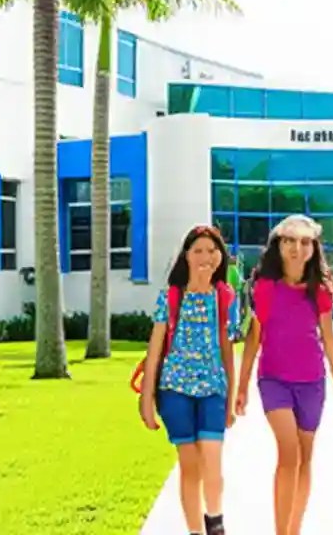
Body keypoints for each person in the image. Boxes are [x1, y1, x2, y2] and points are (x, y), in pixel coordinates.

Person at [236, 214, 333, 535]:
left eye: (304, 242)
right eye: (289, 240)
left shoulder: (320, 291)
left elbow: (330, 341)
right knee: (289, 453)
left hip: (312, 382)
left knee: (305, 458)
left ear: (313, 248)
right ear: (278, 245)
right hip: (273, 380)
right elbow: (253, 338)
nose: (296, 248)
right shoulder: (265, 288)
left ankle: (293, 529)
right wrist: (242, 387)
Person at [137, 225, 241, 535]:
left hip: (213, 389)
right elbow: (154, 351)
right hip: (175, 390)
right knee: (190, 466)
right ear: (187, 256)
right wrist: (146, 399)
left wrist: (231, 398)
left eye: (212, 250)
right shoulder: (171, 297)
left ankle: (216, 521)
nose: (206, 257)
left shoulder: (225, 298)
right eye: (198, 251)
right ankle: (196, 531)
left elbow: (227, 351)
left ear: (221, 256)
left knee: (213, 462)